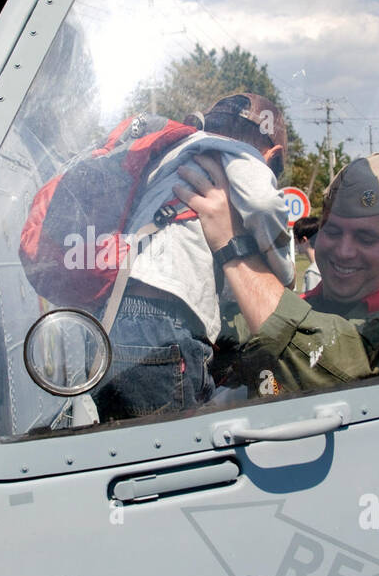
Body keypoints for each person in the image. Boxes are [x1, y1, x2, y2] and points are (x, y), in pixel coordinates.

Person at [174, 149, 379, 396]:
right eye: (333, 231)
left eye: (365, 238)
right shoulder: (309, 304)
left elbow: (314, 360)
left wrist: (233, 245)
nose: (344, 251)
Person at [92, 92, 292, 420]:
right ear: (272, 154)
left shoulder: (177, 153)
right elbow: (263, 204)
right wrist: (283, 271)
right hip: (165, 326)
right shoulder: (242, 155)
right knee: (177, 446)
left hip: (114, 320)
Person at [292, 216, 322, 293]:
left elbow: (313, 303)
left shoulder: (313, 272)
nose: (294, 243)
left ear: (304, 240)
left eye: (295, 238)